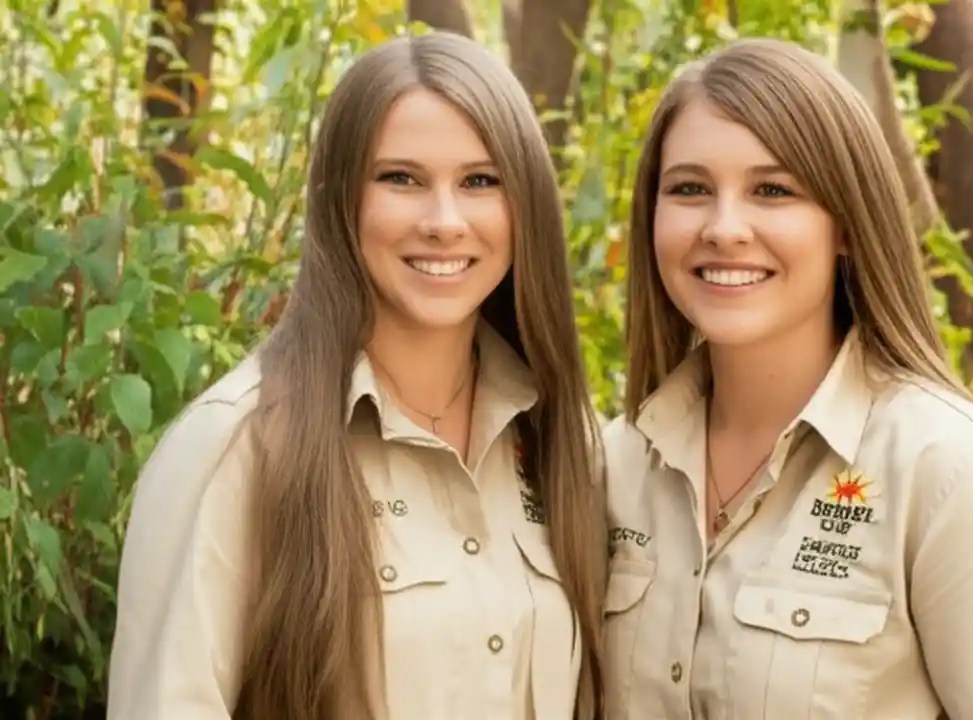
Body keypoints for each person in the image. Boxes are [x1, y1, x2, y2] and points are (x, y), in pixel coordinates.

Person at [107, 31, 606, 720]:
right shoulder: (238, 447)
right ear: (340, 196)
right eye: (401, 178)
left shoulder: (564, 445)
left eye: (480, 181)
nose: (444, 220)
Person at [602, 37, 973, 720]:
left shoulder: (955, 473)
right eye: (689, 189)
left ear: (847, 226)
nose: (723, 228)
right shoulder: (615, 468)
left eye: (773, 190)